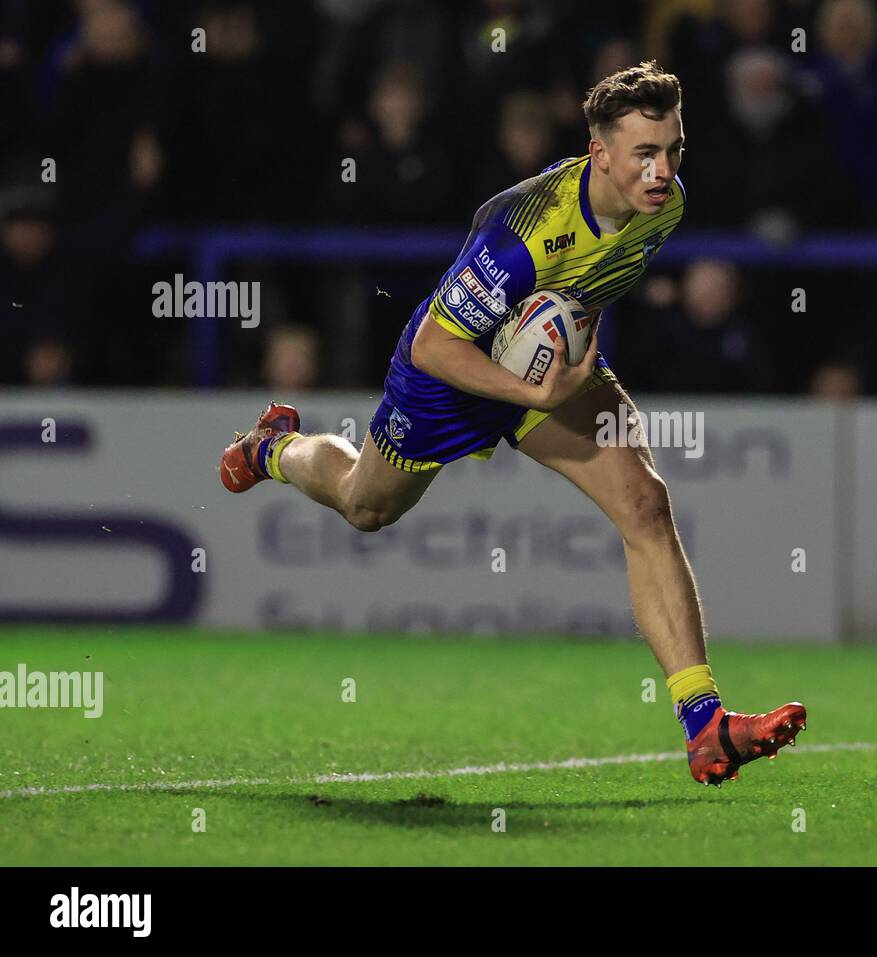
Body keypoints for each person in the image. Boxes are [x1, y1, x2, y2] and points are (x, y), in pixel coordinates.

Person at [216, 61, 805, 786]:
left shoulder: (668, 206)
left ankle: (705, 723)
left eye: (674, 149)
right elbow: (437, 344)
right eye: (645, 154)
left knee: (646, 503)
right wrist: (528, 384)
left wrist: (562, 365)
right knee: (365, 506)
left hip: (544, 373)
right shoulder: (523, 235)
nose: (663, 169)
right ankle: (274, 445)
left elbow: (586, 293)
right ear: (600, 154)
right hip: (449, 371)